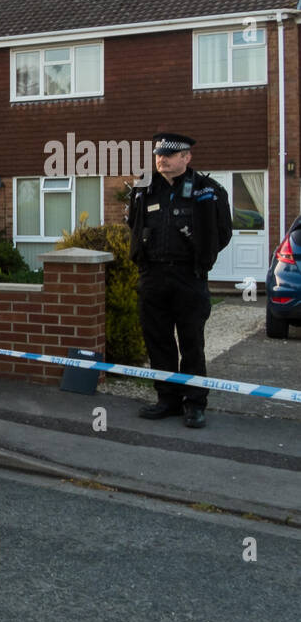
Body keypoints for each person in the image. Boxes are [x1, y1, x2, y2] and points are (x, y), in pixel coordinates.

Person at [125, 133, 232, 428]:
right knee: (157, 341)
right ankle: (167, 399)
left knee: (191, 344)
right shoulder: (144, 189)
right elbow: (133, 225)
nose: (162, 159)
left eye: (170, 155)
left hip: (188, 277)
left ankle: (195, 404)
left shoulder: (207, 189)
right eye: (159, 154)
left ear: (187, 158)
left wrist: (199, 254)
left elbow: (222, 232)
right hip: (153, 276)